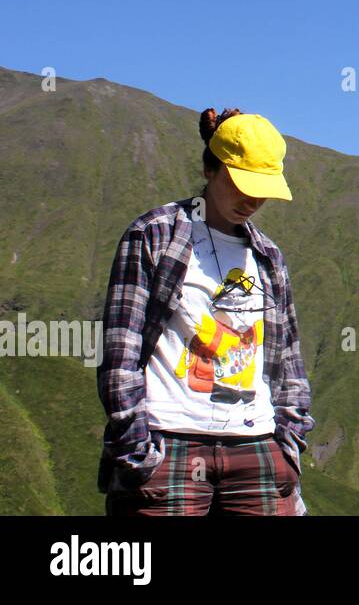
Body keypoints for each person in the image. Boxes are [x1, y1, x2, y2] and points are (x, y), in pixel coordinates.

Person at [96, 106, 315, 515]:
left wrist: (289, 439)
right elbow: (119, 350)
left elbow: (288, 356)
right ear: (210, 169)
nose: (252, 199)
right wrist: (135, 446)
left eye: (263, 187)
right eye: (241, 183)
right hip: (169, 445)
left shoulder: (268, 256)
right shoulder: (154, 235)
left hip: (257, 449)